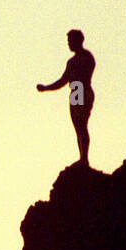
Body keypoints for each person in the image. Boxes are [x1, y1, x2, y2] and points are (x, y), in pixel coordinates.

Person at [37, 29, 95, 166]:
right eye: (68, 41)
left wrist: (79, 83)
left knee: (82, 125)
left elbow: (83, 75)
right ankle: (82, 157)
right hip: (75, 92)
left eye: (71, 41)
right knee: (78, 127)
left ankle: (84, 159)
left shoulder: (86, 57)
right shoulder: (71, 61)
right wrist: (46, 88)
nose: (69, 44)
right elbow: (63, 80)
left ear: (79, 41)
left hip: (81, 90)